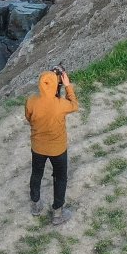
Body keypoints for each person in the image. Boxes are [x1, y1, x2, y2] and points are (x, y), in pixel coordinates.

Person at [24, 66, 79, 225]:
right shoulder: (61, 104)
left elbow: (28, 118)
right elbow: (74, 105)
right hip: (58, 149)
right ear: (57, 85)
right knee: (60, 178)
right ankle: (57, 213)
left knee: (36, 173)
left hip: (38, 147)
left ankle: (35, 205)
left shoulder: (31, 101)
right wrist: (68, 86)